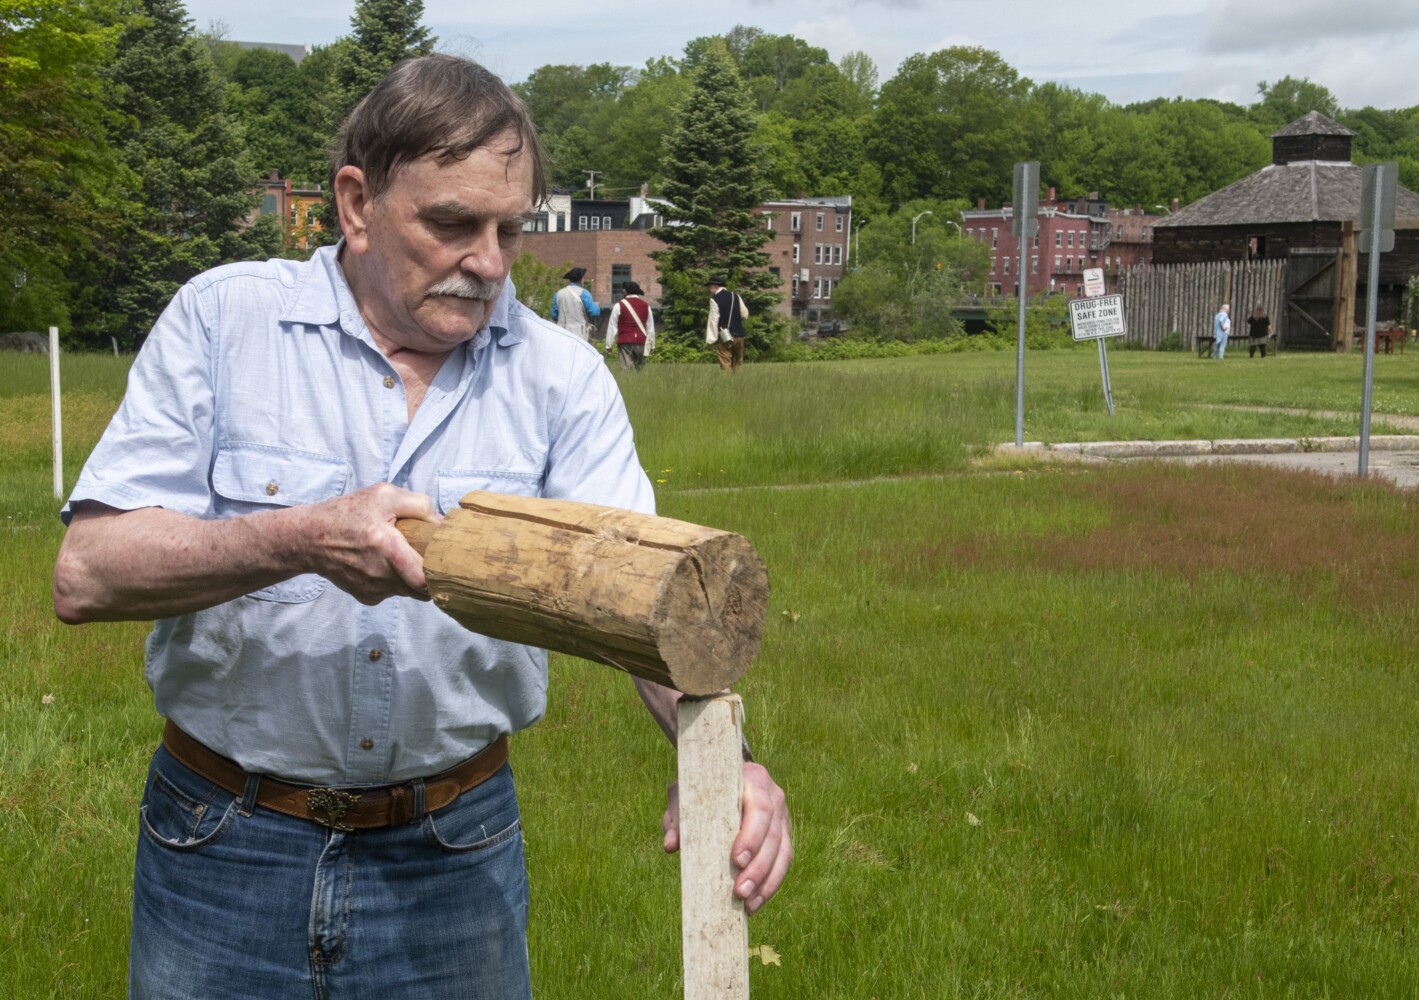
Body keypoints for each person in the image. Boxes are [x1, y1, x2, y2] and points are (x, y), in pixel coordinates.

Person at [51, 54, 790, 1000]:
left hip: (455, 853)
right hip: (224, 842)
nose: (487, 261)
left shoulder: (560, 379)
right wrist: (300, 538)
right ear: (356, 203)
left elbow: (646, 603)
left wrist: (727, 764)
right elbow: (87, 573)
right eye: (450, 224)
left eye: (509, 230)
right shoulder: (224, 322)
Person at [604, 280, 654, 370]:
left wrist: (609, 345)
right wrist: (652, 345)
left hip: (625, 341)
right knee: (640, 371)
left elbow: (612, 326)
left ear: (626, 291)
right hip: (641, 341)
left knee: (626, 370)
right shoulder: (647, 306)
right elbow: (650, 328)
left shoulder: (618, 305)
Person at [706, 276, 749, 372]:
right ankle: (739, 383)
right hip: (740, 335)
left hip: (726, 336)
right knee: (738, 362)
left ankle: (728, 384)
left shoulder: (714, 299)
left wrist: (711, 340)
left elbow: (713, 320)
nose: (708, 289)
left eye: (709, 287)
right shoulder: (735, 296)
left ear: (714, 286)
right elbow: (745, 314)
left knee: (725, 363)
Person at [551, 265, 600, 341]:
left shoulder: (558, 294)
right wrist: (596, 306)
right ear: (581, 280)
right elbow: (594, 312)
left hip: (561, 332)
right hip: (579, 333)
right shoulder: (584, 293)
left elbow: (554, 315)